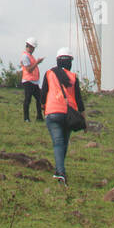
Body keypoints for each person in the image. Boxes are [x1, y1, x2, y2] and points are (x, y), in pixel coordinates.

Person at [41, 47, 84, 185]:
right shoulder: (73, 77)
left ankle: (60, 172)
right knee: (63, 144)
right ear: (70, 62)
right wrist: (83, 118)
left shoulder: (49, 73)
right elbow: (79, 99)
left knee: (58, 143)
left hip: (53, 112)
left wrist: (43, 108)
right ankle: (60, 171)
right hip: (69, 113)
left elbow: (43, 94)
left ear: (58, 61)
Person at [20, 38, 44, 122]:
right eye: (33, 47)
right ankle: (26, 118)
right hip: (28, 81)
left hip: (34, 81)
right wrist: (37, 62)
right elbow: (29, 69)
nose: (33, 49)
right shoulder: (25, 56)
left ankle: (39, 117)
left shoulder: (30, 56)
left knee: (39, 99)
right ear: (29, 46)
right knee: (28, 99)